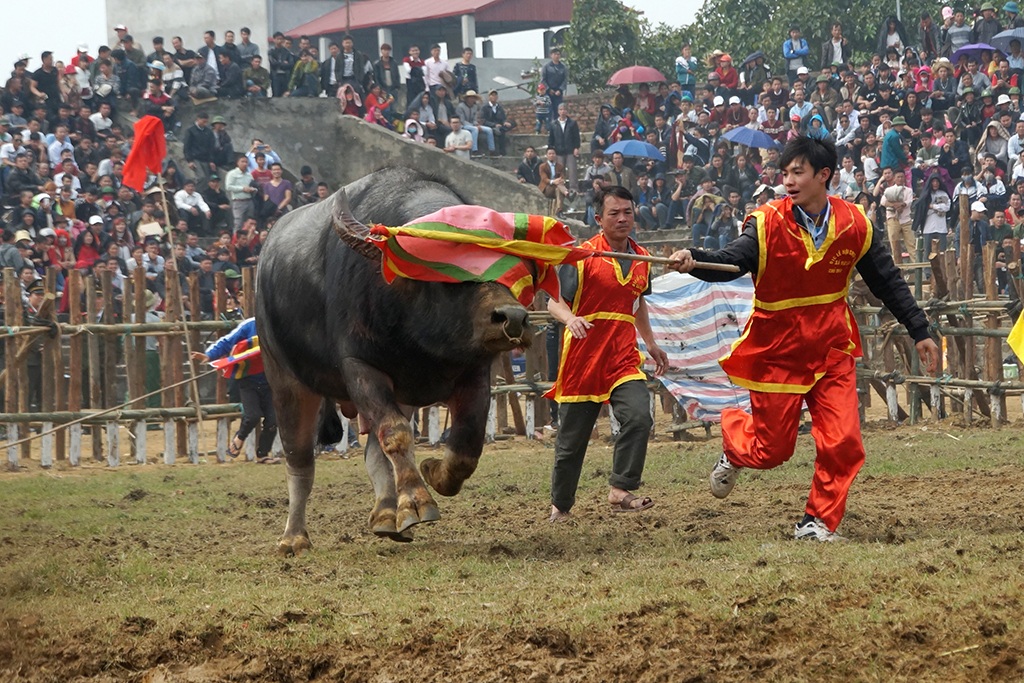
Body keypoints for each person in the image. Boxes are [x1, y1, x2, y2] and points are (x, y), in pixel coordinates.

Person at [668, 137, 939, 541]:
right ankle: (734, 444)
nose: (789, 181)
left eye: (798, 172)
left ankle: (817, 522)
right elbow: (731, 262)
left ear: (823, 176)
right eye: (785, 173)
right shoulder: (765, 222)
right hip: (776, 348)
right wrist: (695, 259)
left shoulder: (855, 224)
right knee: (772, 451)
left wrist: (920, 329)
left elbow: (888, 281)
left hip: (832, 346)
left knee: (844, 441)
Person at [545, 185, 669, 523]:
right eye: (614, 213)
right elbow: (553, 300)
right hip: (582, 358)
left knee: (639, 416)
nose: (622, 218)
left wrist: (651, 342)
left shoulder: (643, 259)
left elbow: (637, 302)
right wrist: (570, 319)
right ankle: (561, 506)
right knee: (571, 443)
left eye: (627, 212)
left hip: (622, 356)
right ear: (599, 219)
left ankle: (620, 488)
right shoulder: (582, 256)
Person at [193, 317, 279, 462]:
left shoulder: (280, 326)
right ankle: (239, 437)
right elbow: (227, 341)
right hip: (248, 380)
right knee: (253, 416)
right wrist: (209, 355)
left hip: (270, 382)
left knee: (273, 420)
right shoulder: (250, 325)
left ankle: (263, 454)